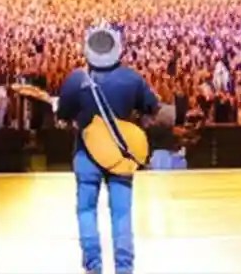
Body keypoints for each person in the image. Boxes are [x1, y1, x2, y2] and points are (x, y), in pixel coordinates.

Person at [55, 24, 161, 274]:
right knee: (122, 214)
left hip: (86, 154)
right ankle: (124, 268)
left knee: (86, 210)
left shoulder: (76, 80)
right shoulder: (132, 78)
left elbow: (62, 117)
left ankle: (94, 267)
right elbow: (152, 108)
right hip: (121, 155)